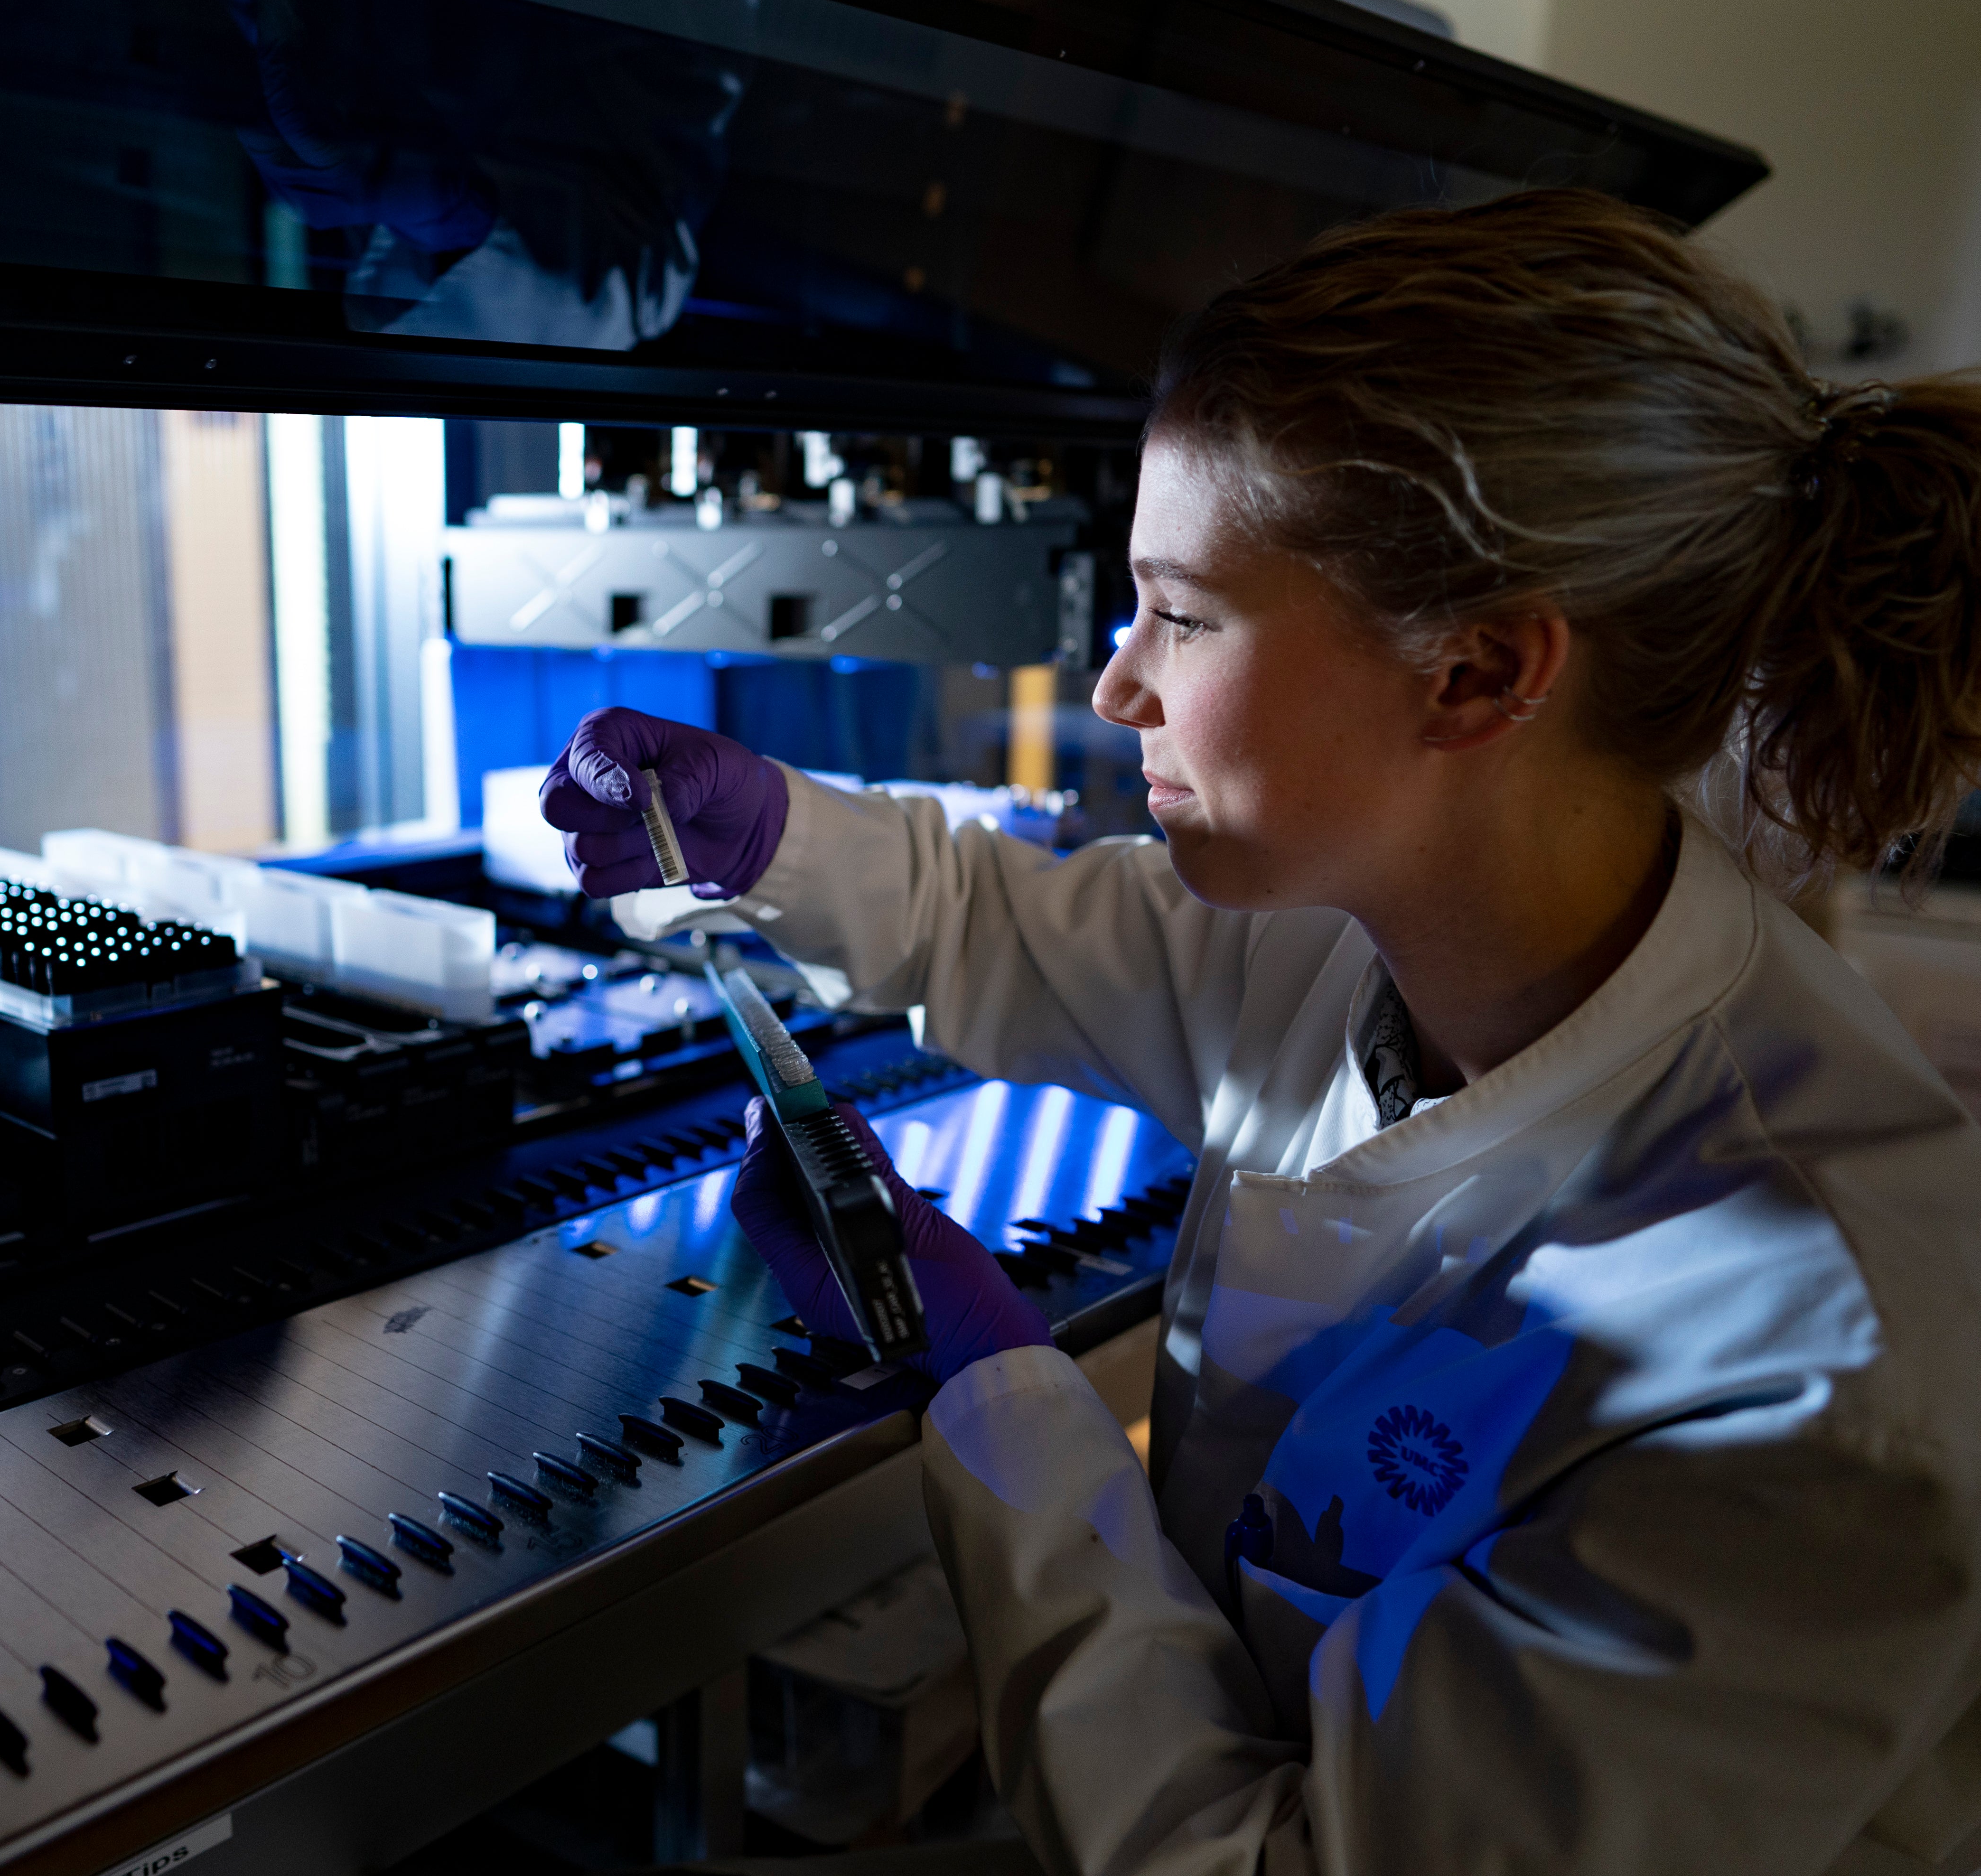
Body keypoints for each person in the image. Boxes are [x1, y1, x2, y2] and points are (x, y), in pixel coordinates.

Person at [540, 188, 1981, 1873]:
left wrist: (1000, 1392)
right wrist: (762, 829)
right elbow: (994, 921)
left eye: (1187, 612)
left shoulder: (1810, 1370)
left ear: (1475, 675)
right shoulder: (1365, 934)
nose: (1116, 688)